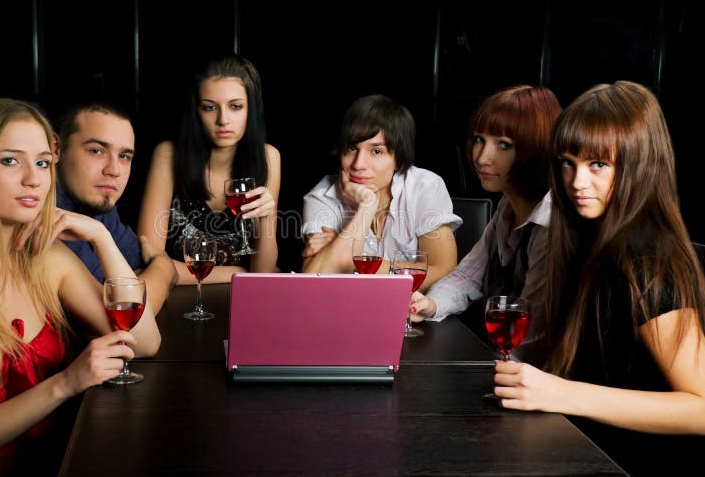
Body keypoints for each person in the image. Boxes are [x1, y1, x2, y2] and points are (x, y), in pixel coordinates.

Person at [0, 98, 161, 474]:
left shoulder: (47, 259)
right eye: (10, 160)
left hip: (52, 462)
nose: (34, 179)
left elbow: (146, 341)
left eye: (42, 162)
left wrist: (100, 236)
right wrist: (66, 383)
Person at [491, 81, 705, 475]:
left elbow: (701, 408)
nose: (577, 182)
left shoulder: (645, 259)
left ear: (641, 165)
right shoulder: (589, 240)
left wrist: (559, 393)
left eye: (598, 164)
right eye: (567, 162)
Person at [410, 85, 561, 363]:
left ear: (536, 148)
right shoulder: (508, 204)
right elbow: (466, 277)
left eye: (503, 145)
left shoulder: (551, 221)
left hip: (544, 382)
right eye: (480, 140)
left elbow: (532, 334)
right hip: (506, 367)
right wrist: (431, 305)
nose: (482, 157)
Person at [138, 54, 280, 284]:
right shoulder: (168, 155)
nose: (223, 119)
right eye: (209, 107)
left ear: (250, 109)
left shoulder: (268, 157)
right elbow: (150, 259)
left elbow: (263, 272)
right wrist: (243, 273)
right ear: (196, 110)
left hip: (244, 299)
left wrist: (266, 218)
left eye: (235, 106)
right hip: (178, 300)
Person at [301, 94, 459, 290]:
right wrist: (367, 205)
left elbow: (444, 269)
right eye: (351, 148)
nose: (358, 164)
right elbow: (312, 283)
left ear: (398, 160)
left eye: (376, 151)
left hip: (411, 312)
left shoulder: (424, 187)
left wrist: (350, 258)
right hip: (345, 309)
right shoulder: (322, 197)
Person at [54, 102, 178, 315]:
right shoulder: (48, 217)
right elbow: (128, 317)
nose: (114, 170)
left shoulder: (100, 207)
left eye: (124, 156)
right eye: (96, 151)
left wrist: (154, 271)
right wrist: (163, 268)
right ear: (56, 149)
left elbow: (140, 273)